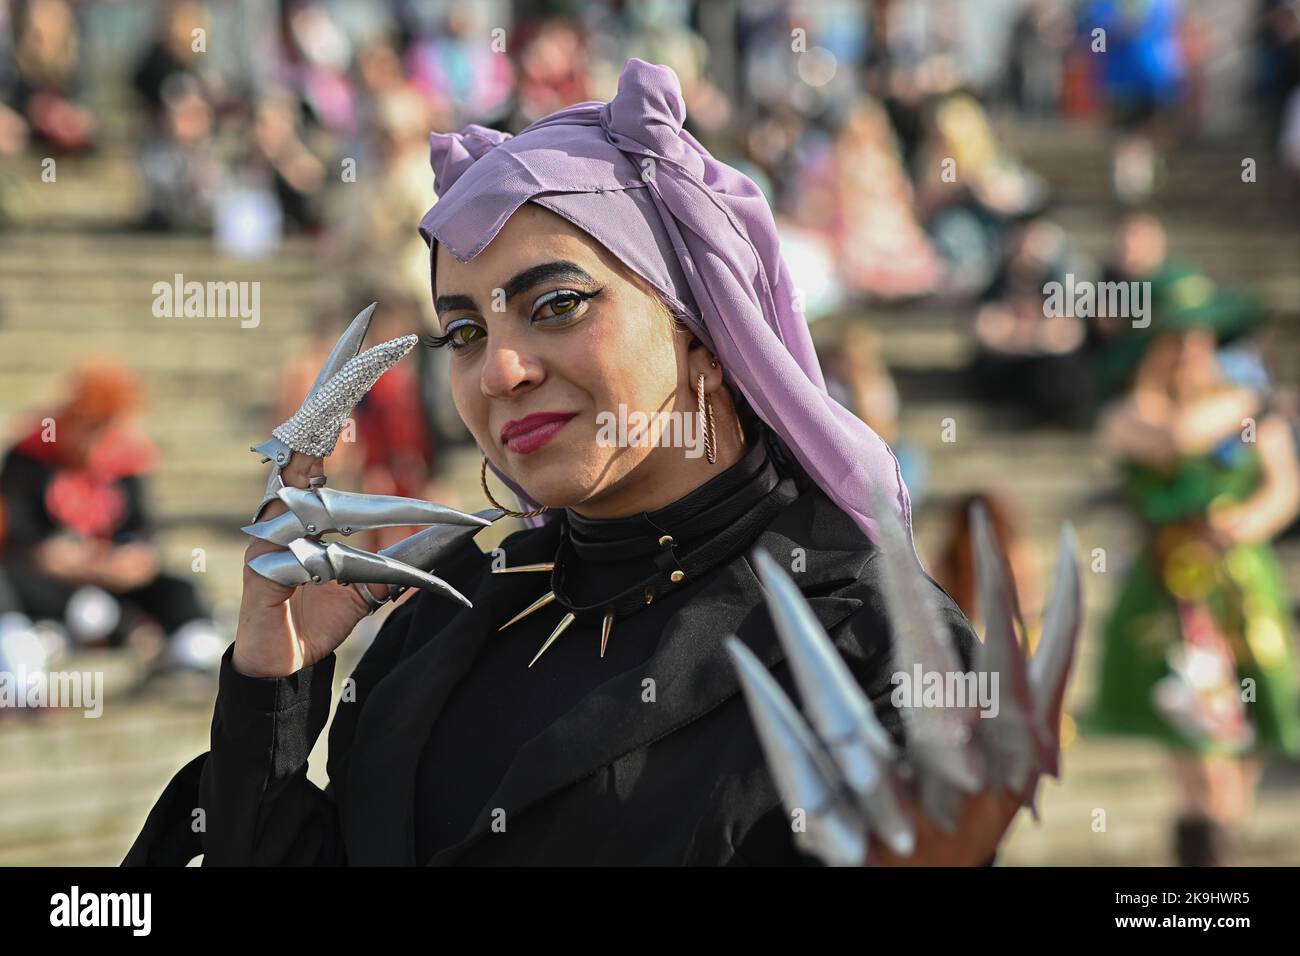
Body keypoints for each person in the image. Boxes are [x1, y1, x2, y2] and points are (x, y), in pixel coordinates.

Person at [123, 59, 1058, 867]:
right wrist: (271, 689)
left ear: (703, 327)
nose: (500, 369)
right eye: (463, 329)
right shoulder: (444, 611)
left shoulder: (875, 649)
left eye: (557, 303)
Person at [1086, 288, 1300, 865]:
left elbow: (1284, 486)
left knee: (1239, 765)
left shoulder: (1247, 408)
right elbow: (1173, 438)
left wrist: (1244, 524)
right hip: (1168, 594)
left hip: (1242, 591)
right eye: (1174, 338)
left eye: (1197, 338)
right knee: (1200, 750)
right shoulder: (1128, 410)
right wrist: (1250, 397)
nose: (1188, 351)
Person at [0, 362, 226, 673]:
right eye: (90, 427)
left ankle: (192, 646)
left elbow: (142, 531)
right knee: (68, 601)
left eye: (106, 429)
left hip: (110, 576)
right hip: (53, 581)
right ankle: (59, 633)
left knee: (179, 589)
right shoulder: (30, 456)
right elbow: (23, 539)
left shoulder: (126, 460)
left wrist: (133, 560)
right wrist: (74, 561)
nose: (96, 440)